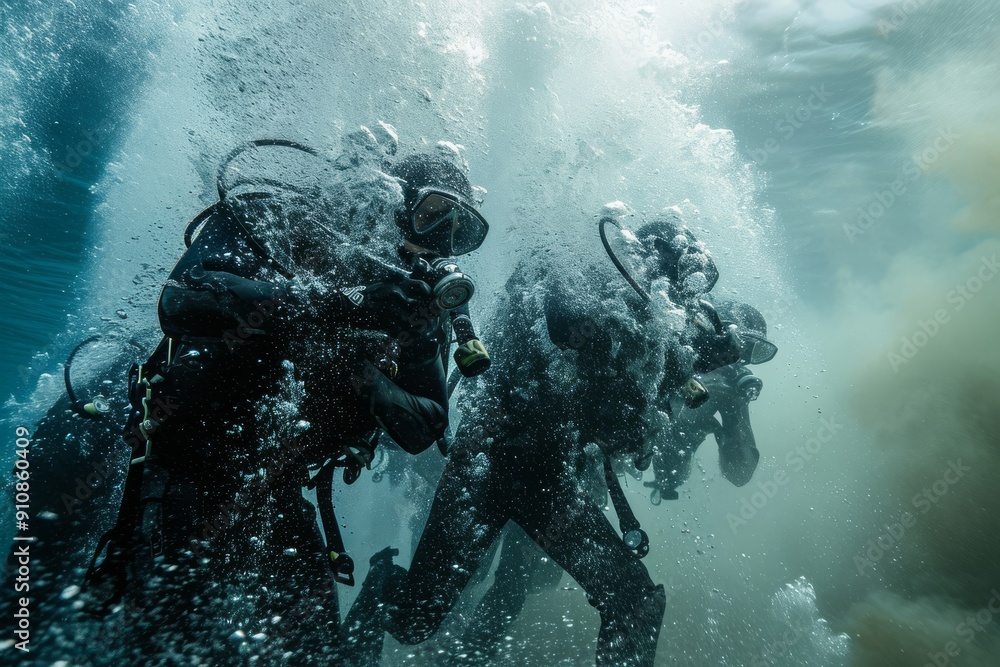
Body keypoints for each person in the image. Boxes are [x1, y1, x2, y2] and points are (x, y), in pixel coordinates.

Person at [4, 137, 491, 665]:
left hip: (276, 491)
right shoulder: (280, 222)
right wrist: (344, 305)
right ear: (393, 202)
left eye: (461, 231)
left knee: (314, 655)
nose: (441, 241)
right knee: (150, 644)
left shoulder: (417, 305)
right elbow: (182, 300)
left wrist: (367, 379)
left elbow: (426, 425)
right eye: (433, 215)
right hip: (186, 465)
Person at [340, 210, 745, 667]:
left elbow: (627, 425)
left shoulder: (652, 334)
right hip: (486, 463)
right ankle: (381, 584)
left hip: (550, 477)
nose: (678, 298)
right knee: (414, 622)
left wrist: (694, 359)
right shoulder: (583, 280)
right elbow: (561, 319)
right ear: (648, 260)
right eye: (674, 279)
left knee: (634, 600)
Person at [444, 300, 776, 667]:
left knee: (540, 579)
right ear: (709, 331)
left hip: (588, 471)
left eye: (749, 353)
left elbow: (736, 472)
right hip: (557, 455)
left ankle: (463, 636)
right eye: (734, 344)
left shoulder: (727, 387)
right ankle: (461, 648)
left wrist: (727, 411)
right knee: (507, 573)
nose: (733, 359)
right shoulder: (663, 344)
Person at [647, 301, 776, 502]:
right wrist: (686, 407)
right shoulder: (671, 350)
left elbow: (740, 473)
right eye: (737, 347)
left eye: (749, 351)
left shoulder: (730, 387)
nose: (737, 360)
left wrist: (728, 420)